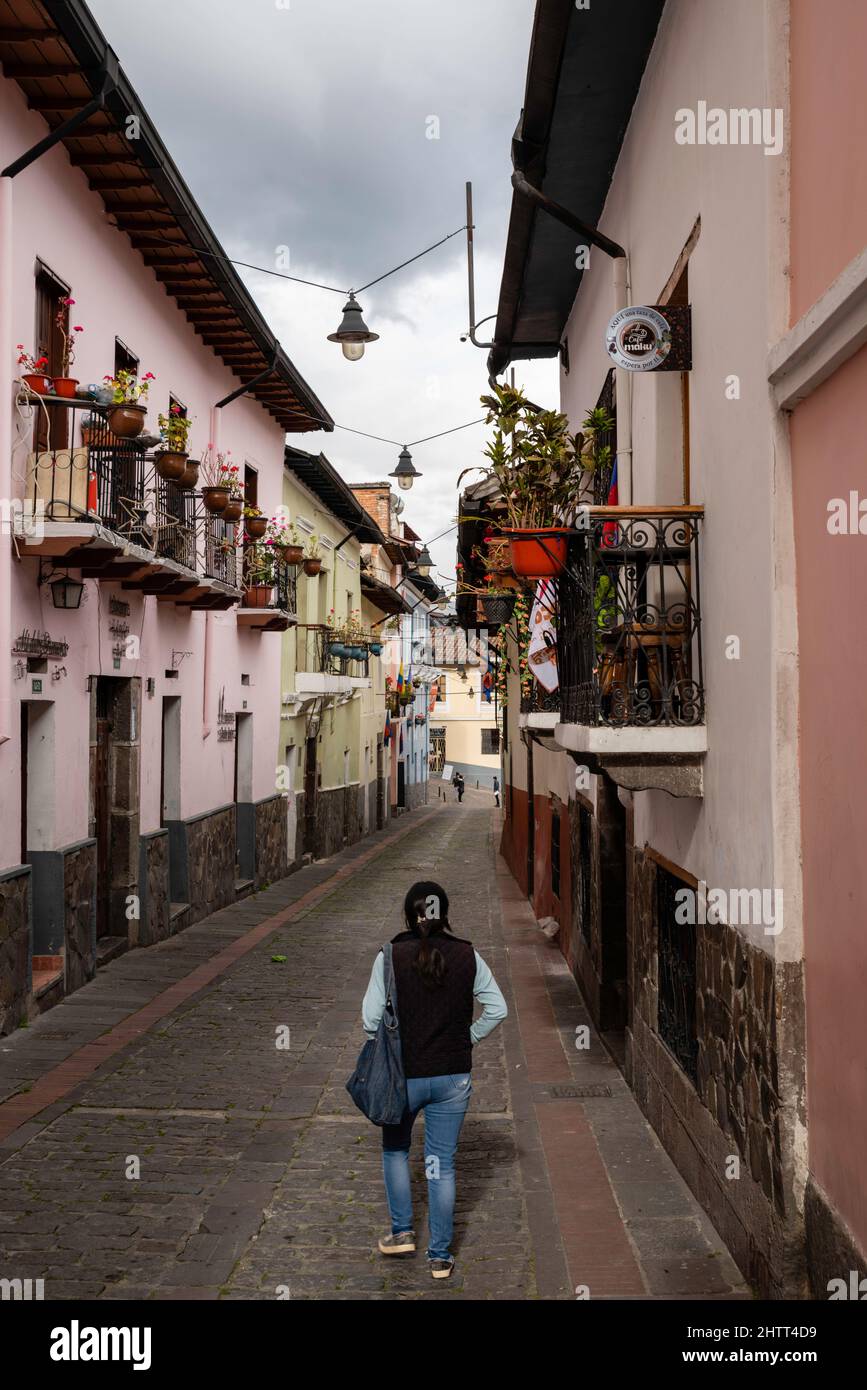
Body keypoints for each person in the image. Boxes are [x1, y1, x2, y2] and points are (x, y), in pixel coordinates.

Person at [361, 880, 507, 1279]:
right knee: (441, 1164)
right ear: (445, 913)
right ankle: (440, 1257)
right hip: (452, 1078)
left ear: (409, 916)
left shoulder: (390, 956)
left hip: (402, 1077)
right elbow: (498, 1009)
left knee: (395, 1150)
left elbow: (370, 1020)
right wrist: (467, 1038)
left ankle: (402, 1232)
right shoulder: (468, 955)